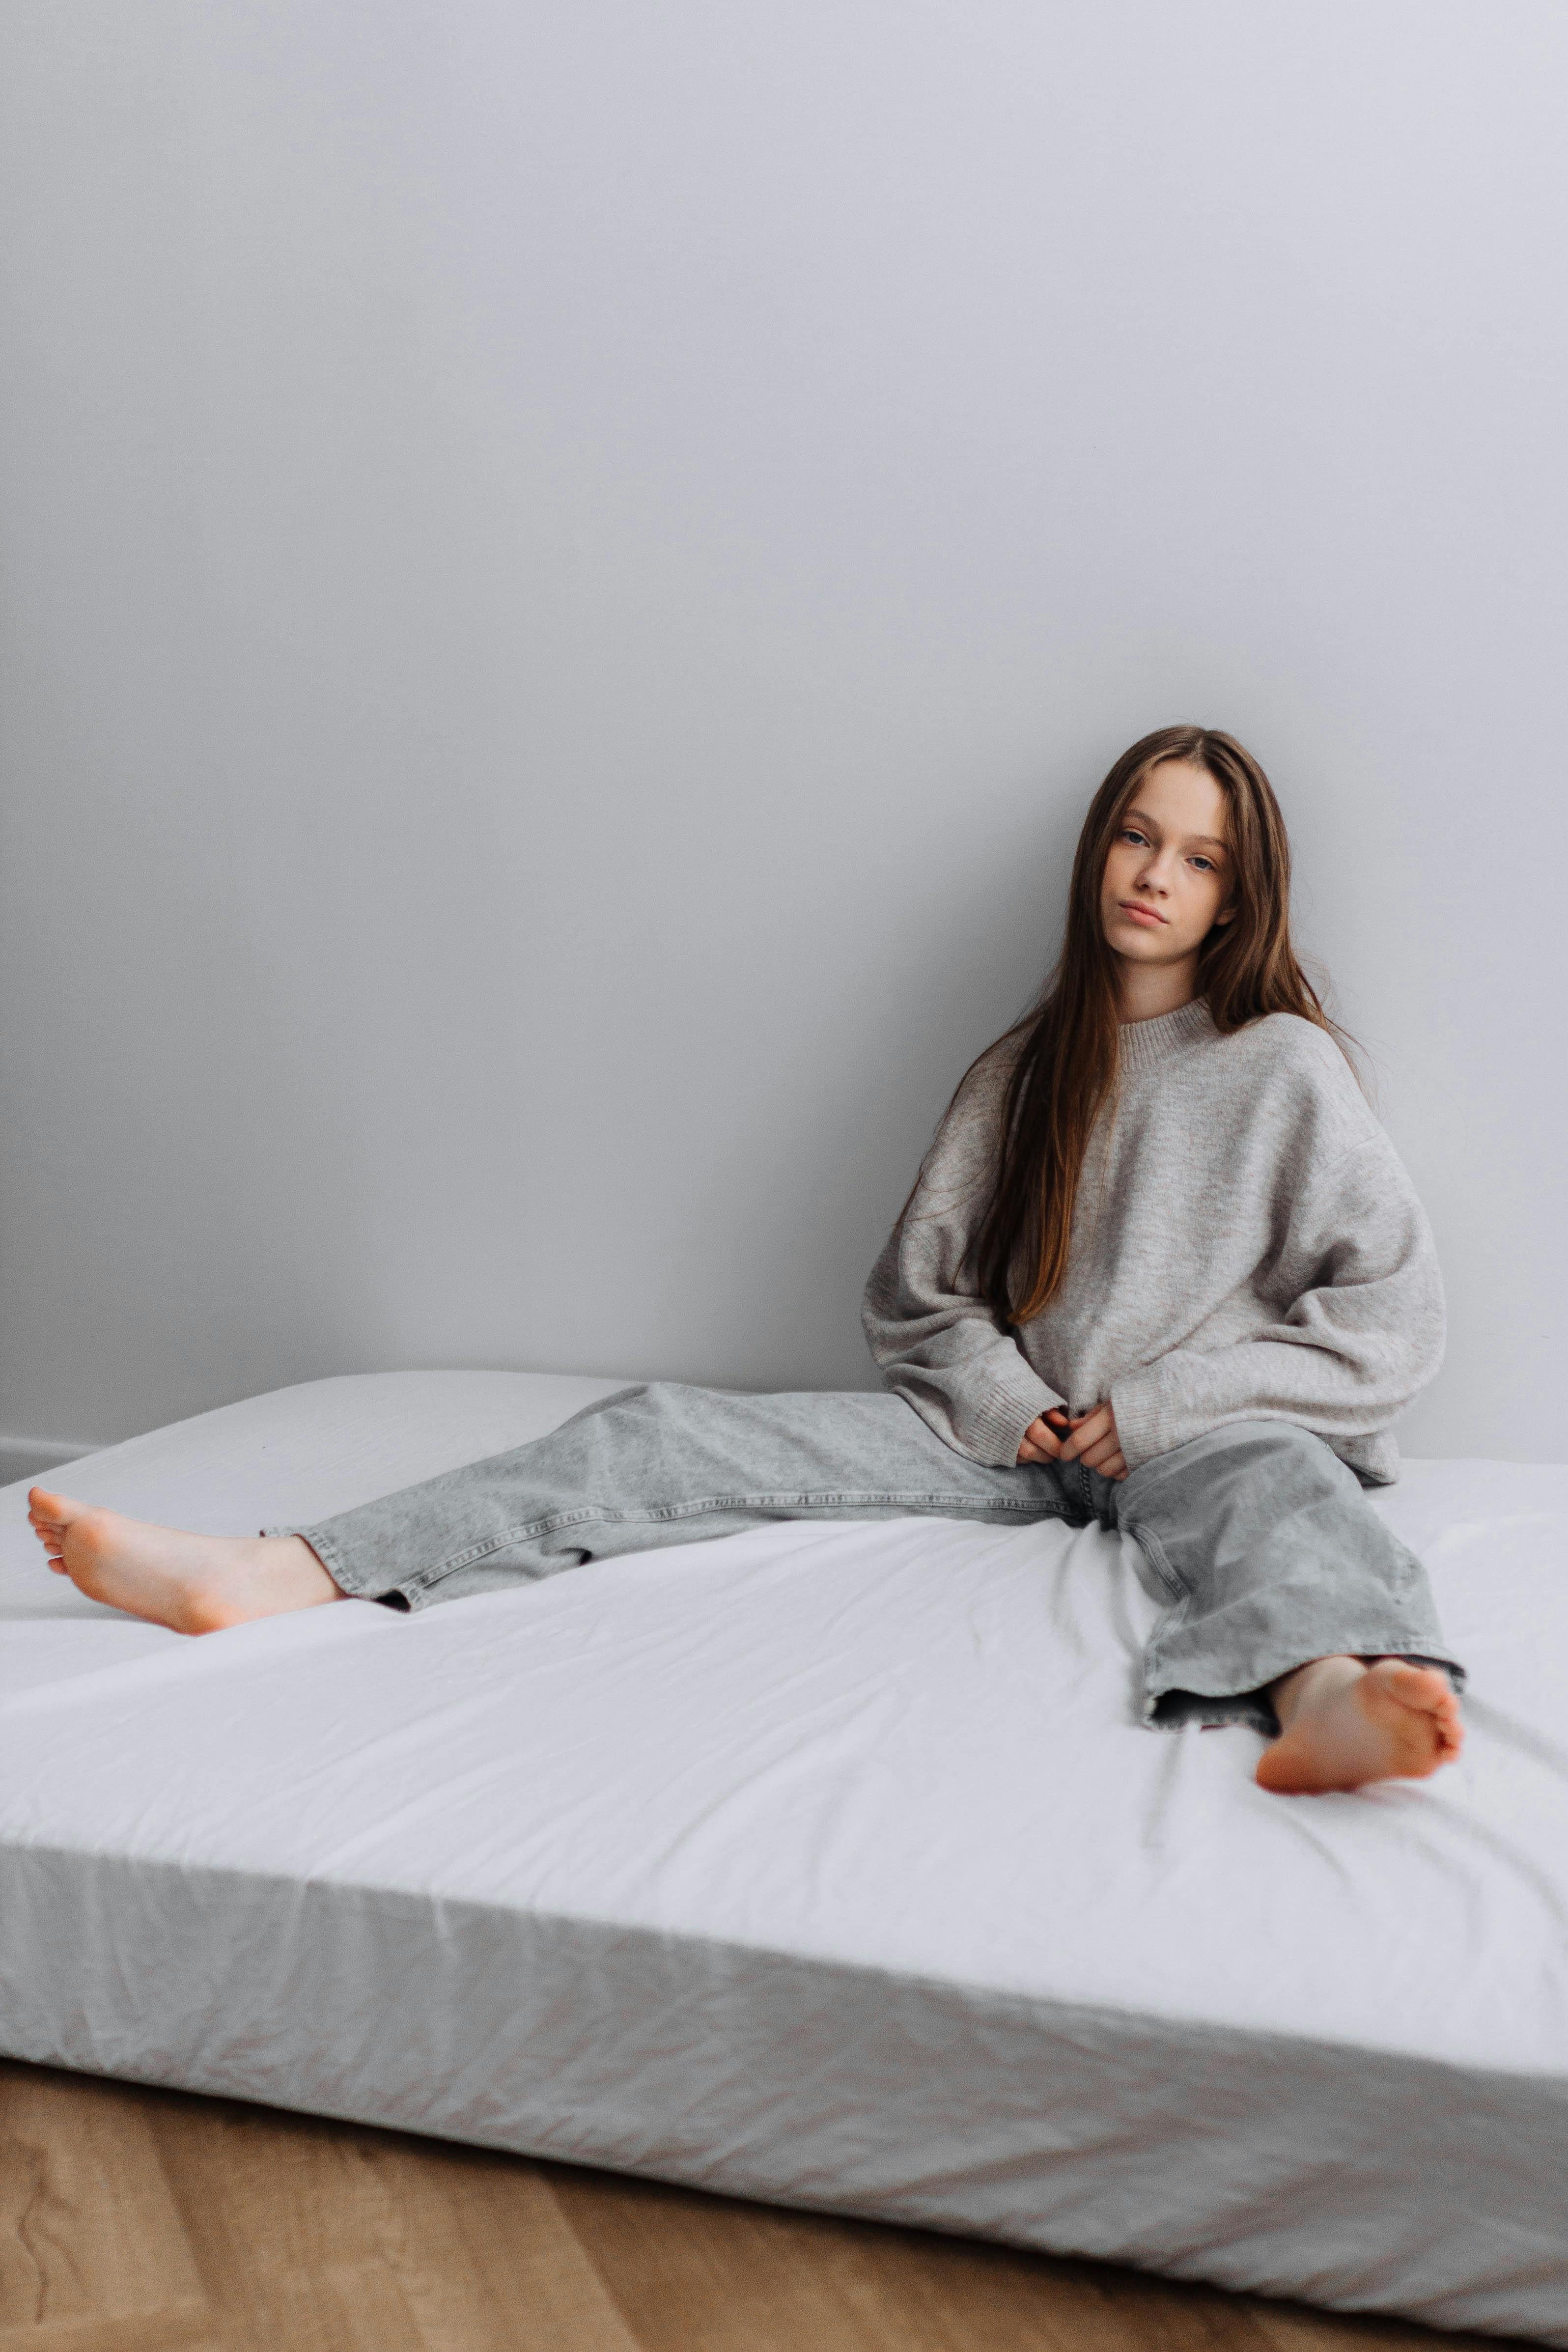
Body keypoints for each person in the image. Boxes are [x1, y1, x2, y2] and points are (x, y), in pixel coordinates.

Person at [29, 724, 1464, 1795]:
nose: (1157, 874)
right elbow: (918, 1297)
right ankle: (284, 1570)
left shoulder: (1283, 1068)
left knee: (1286, 1500)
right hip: (1008, 1444)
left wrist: (1160, 1411)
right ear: (1098, 846)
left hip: (1199, 1442)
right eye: (1137, 835)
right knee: (665, 1435)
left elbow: (1390, 1319)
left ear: (1239, 892)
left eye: (1200, 856)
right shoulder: (1023, 1071)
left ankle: (1332, 1688)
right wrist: (1007, 1398)